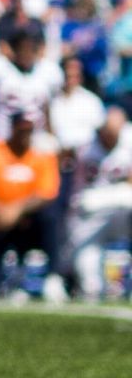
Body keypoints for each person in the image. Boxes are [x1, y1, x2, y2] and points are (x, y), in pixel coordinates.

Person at [0, 112, 62, 299]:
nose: (25, 135)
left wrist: (16, 210)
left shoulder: (42, 155)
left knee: (50, 216)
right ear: (12, 129)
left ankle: (52, 276)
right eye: (21, 130)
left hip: (26, 221)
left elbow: (47, 193)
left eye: (29, 131)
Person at [66, 108, 132, 300]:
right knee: (90, 285)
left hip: (120, 212)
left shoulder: (128, 141)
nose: (112, 137)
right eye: (108, 132)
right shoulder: (83, 142)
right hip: (87, 215)